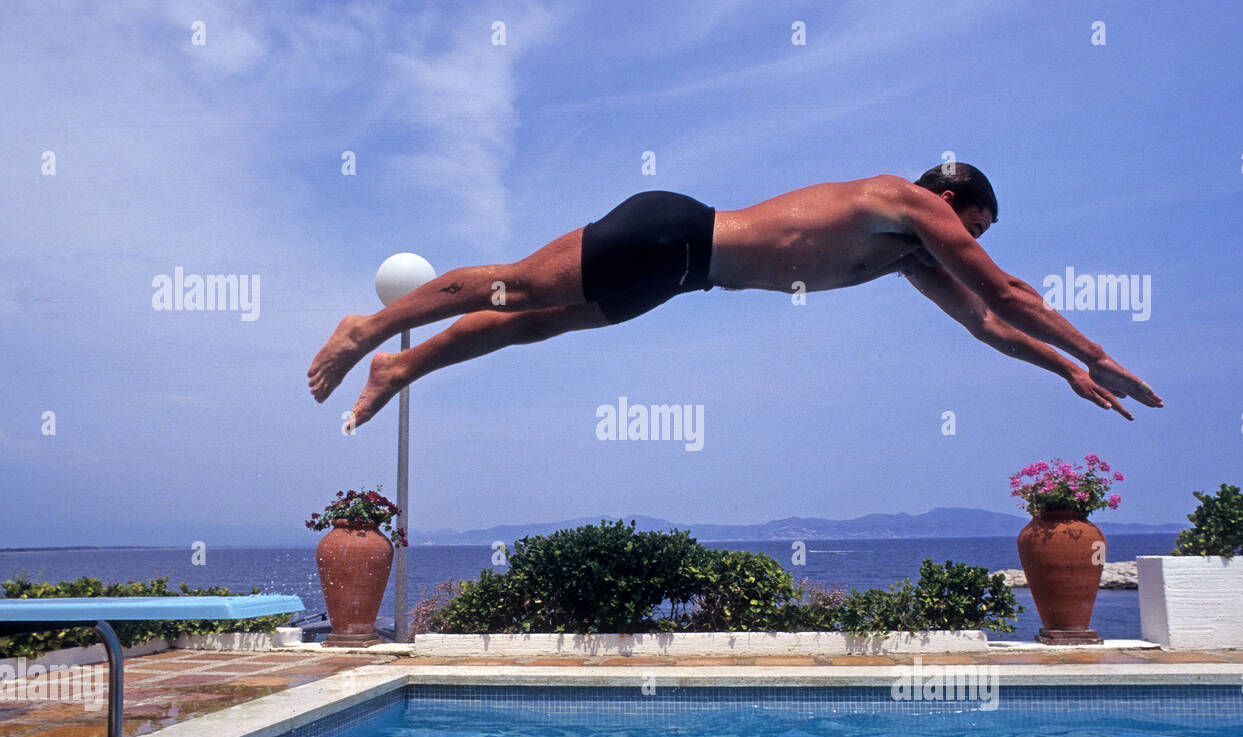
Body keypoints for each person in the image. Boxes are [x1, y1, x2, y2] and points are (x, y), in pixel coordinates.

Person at [308, 163, 1163, 427]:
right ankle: (370, 326)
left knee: (536, 325)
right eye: (972, 227)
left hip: (682, 279)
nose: (971, 247)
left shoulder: (909, 256)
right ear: (950, 203)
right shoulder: (902, 203)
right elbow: (1008, 292)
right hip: (676, 233)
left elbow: (988, 322)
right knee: (518, 286)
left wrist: (1061, 372)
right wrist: (1096, 353)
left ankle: (399, 367)